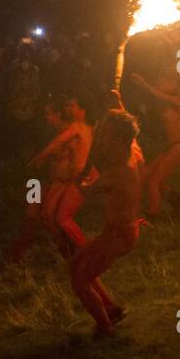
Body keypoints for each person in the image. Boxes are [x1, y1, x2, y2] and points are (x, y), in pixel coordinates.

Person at [70, 100, 145, 336]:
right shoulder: (133, 151)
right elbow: (129, 131)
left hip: (118, 236)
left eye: (107, 136)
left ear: (120, 140)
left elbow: (84, 190)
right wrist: (119, 105)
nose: (103, 140)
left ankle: (105, 328)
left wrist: (80, 173)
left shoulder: (115, 173)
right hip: (119, 231)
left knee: (80, 282)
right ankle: (111, 309)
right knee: (75, 264)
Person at [19, 96, 93, 260]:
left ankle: (24, 248)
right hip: (39, 178)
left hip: (51, 179)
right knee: (33, 211)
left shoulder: (69, 131)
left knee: (36, 212)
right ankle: (29, 247)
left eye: (49, 113)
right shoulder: (49, 130)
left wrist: (40, 158)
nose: (45, 117)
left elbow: (65, 154)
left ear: (59, 115)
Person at [129, 58, 180, 220]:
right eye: (160, 80)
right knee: (148, 179)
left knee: (154, 182)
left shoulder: (178, 101)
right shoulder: (164, 102)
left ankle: (153, 216)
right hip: (169, 147)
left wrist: (145, 85)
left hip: (179, 146)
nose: (160, 82)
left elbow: (164, 94)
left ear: (173, 84)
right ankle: (175, 199)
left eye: (164, 80)